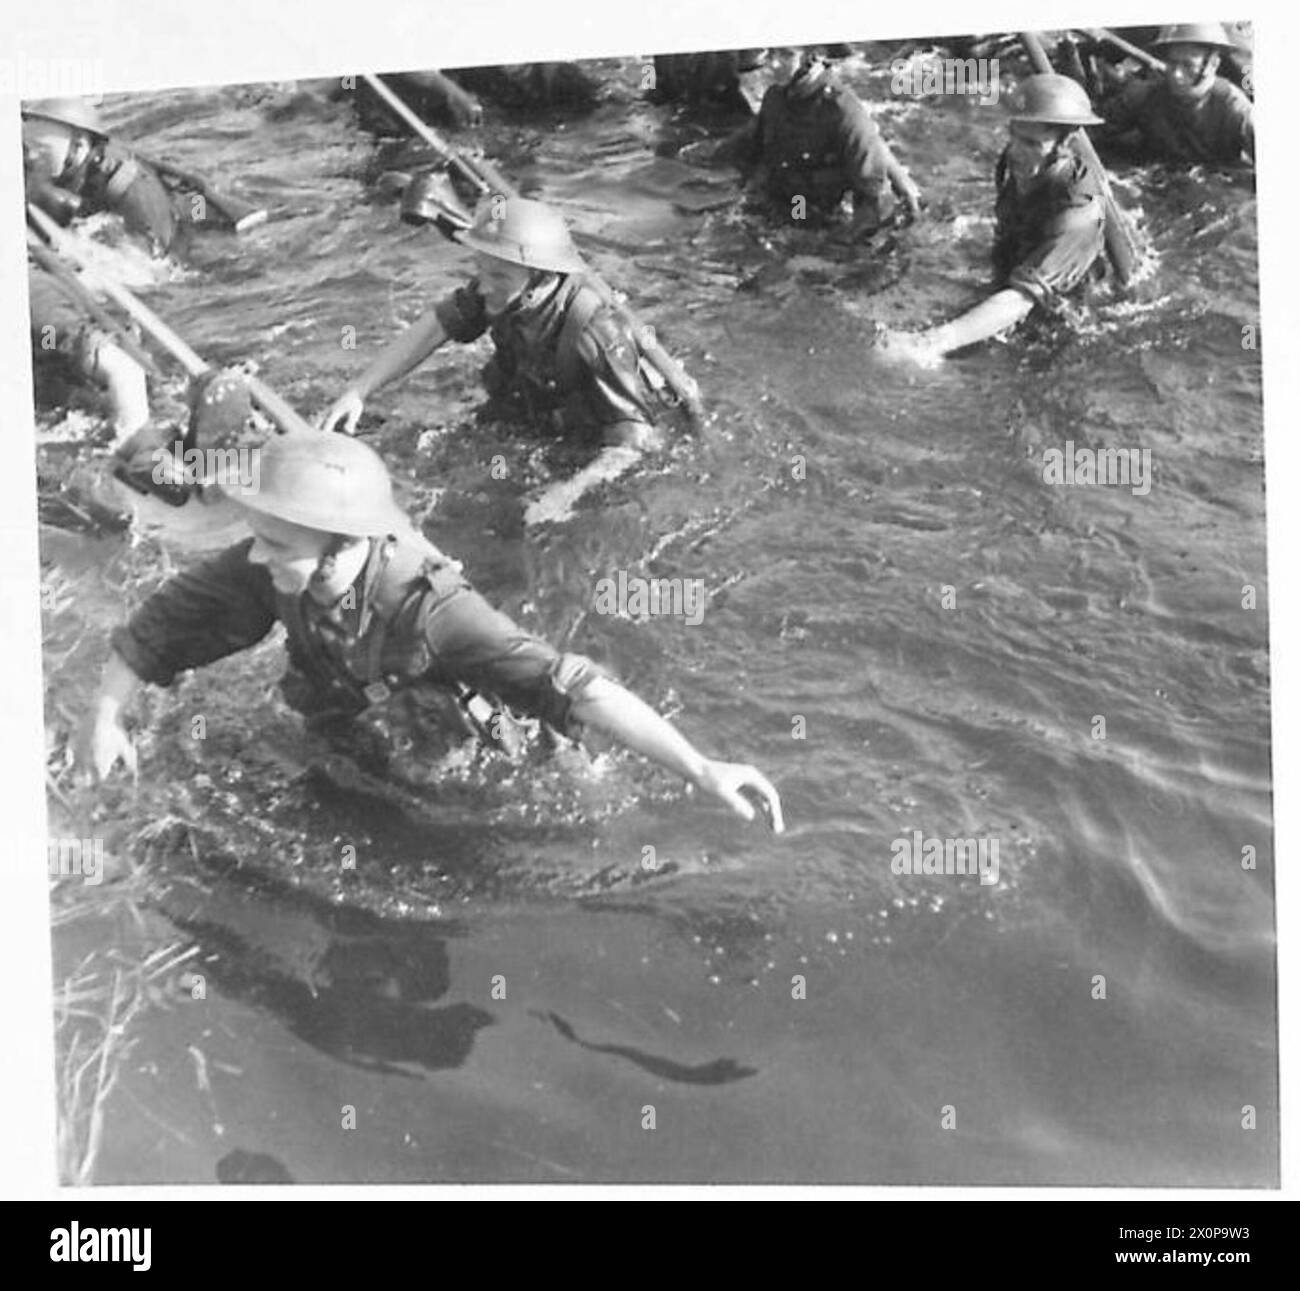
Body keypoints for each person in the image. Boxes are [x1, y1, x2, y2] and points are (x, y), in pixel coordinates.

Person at [84, 426, 785, 832]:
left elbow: (572, 683)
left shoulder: (435, 608)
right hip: (340, 699)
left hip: (441, 722)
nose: (254, 552)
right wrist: (106, 719)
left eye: (274, 540)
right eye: (257, 536)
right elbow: (162, 626)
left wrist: (700, 768)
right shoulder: (270, 561)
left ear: (341, 545)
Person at [319, 195, 676, 518]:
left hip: (582, 443)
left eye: (499, 276)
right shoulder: (498, 291)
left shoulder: (595, 332)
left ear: (542, 280)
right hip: (522, 411)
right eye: (480, 270)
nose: (483, 285)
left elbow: (635, 443)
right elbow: (433, 328)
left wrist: (568, 494)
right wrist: (359, 391)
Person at [883, 73, 1107, 364]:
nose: (1015, 152)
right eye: (1013, 137)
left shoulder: (1078, 213)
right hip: (1018, 269)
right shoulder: (1023, 164)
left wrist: (931, 343)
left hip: (1065, 311)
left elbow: (1022, 298)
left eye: (1030, 143)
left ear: (1066, 144)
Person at [723, 48, 923, 235]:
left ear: (809, 58)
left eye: (782, 55)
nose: (770, 65)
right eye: (766, 57)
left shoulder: (843, 112)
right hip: (786, 206)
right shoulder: (776, 98)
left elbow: (869, 197)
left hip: (820, 219)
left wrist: (858, 247)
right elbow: (746, 154)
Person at [23, 97, 179, 255]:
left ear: (79, 145)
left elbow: (150, 268)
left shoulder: (133, 191)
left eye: (42, 148)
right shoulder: (52, 167)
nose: (33, 156)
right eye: (28, 146)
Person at [1098, 23, 1253, 166]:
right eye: (1172, 63)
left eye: (1188, 65)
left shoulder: (1235, 108)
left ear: (1213, 65)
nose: (1177, 75)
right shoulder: (1145, 95)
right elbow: (1093, 133)